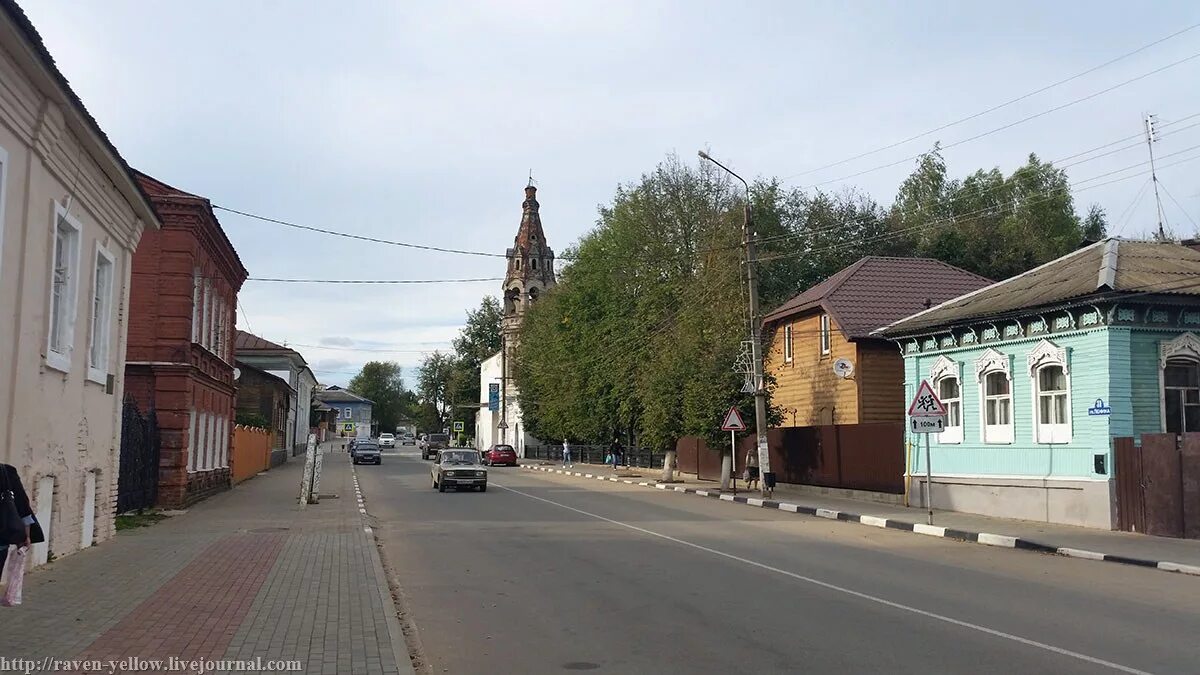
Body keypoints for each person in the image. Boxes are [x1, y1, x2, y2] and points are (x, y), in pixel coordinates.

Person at [0, 463, 35, 572]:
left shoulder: (6, 472)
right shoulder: (6, 472)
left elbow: (22, 506)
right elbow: (22, 506)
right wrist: (25, 536)